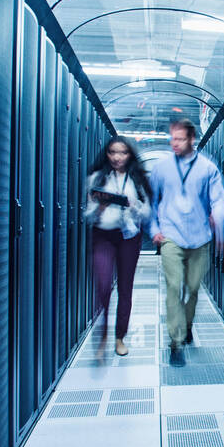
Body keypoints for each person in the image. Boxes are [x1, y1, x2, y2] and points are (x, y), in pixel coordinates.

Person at [150, 117, 224, 366]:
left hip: (200, 237)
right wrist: (154, 228)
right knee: (174, 287)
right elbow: (151, 201)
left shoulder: (208, 168)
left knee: (193, 289)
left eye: (180, 139)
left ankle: (186, 325)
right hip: (171, 236)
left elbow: (219, 199)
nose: (174, 143)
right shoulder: (161, 168)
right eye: (172, 138)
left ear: (192, 139)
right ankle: (175, 342)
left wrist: (220, 224)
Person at [83, 136, 153, 359]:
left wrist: (133, 206)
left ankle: (119, 338)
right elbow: (86, 213)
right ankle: (102, 334)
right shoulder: (97, 178)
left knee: (125, 288)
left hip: (129, 237)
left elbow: (147, 213)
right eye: (113, 152)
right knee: (103, 286)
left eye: (122, 153)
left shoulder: (137, 180)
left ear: (129, 155)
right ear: (107, 154)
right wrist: (100, 208)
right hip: (103, 235)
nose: (117, 157)